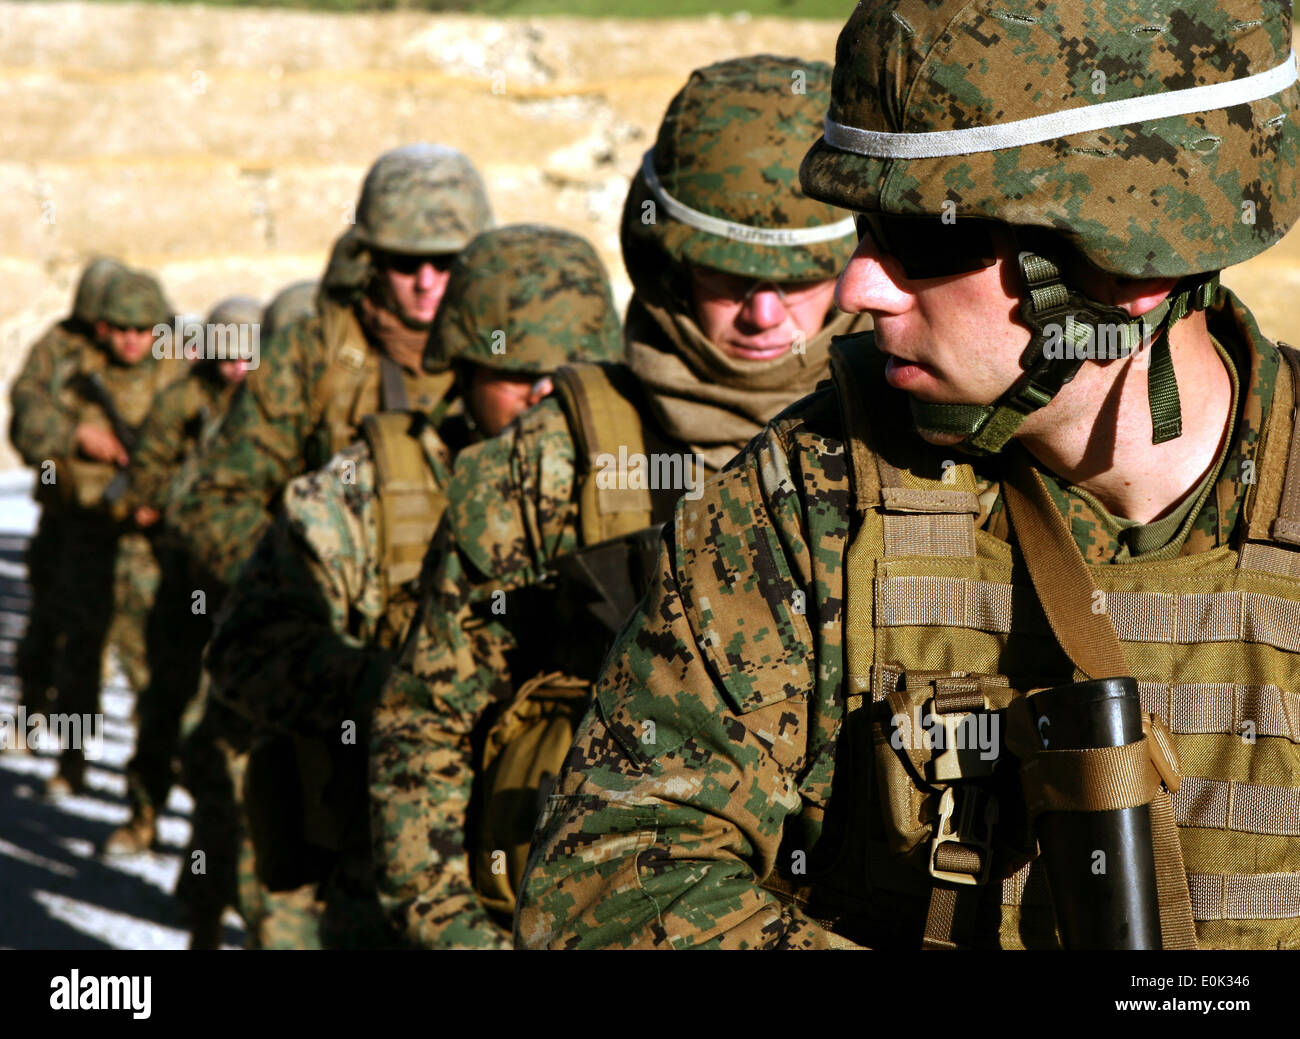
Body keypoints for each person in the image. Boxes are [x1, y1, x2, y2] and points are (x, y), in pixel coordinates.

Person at [517, 0, 1300, 951]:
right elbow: (604, 879)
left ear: (1120, 262)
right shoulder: (813, 497)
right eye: (863, 231)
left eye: (922, 240)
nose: (859, 287)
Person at [368, 54, 869, 948]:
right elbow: (425, 735)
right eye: (727, 277)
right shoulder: (546, 465)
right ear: (668, 264)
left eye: (797, 281)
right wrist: (458, 936)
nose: (764, 315)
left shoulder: (907, 444)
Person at [204, 224, 624, 948]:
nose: (546, 397)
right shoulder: (369, 486)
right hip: (394, 891)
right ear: (461, 365)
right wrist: (406, 691)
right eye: (518, 374)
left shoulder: (631, 483)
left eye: (572, 375)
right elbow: (246, 650)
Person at [174, 144, 493, 949]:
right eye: (404, 263)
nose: (427, 284)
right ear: (370, 257)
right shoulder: (314, 353)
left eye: (447, 262)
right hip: (321, 678)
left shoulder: (503, 350)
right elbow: (214, 500)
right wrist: (308, 576)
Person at [103, 296, 260, 857]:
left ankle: (218, 842)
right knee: (164, 701)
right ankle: (144, 815)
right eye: (227, 356)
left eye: (248, 357)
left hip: (246, 582)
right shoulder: (181, 402)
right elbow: (144, 487)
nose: (236, 369)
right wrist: (192, 495)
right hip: (180, 578)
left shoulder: (273, 406)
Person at [39, 268, 181, 797]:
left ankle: (149, 787)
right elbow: (28, 424)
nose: (130, 339)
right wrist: (75, 434)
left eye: (142, 329)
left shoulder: (180, 375)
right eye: (119, 327)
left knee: (152, 666)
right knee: (79, 657)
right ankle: (71, 761)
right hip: (87, 535)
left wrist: (160, 501)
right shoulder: (75, 369)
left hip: (151, 548)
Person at [8, 257, 126, 732]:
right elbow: (26, 416)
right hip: (64, 510)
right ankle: (35, 713)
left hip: (124, 509)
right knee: (48, 621)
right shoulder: (56, 349)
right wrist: (76, 435)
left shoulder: (144, 342)